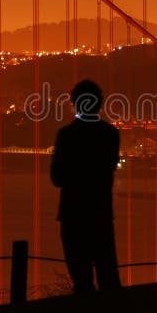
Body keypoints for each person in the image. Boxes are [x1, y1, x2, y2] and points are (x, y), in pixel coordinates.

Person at [50, 79, 121, 293]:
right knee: (108, 274)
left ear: (74, 104)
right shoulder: (110, 134)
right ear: (99, 104)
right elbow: (110, 166)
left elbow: (57, 177)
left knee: (81, 278)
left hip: (73, 212)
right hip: (101, 211)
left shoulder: (66, 135)